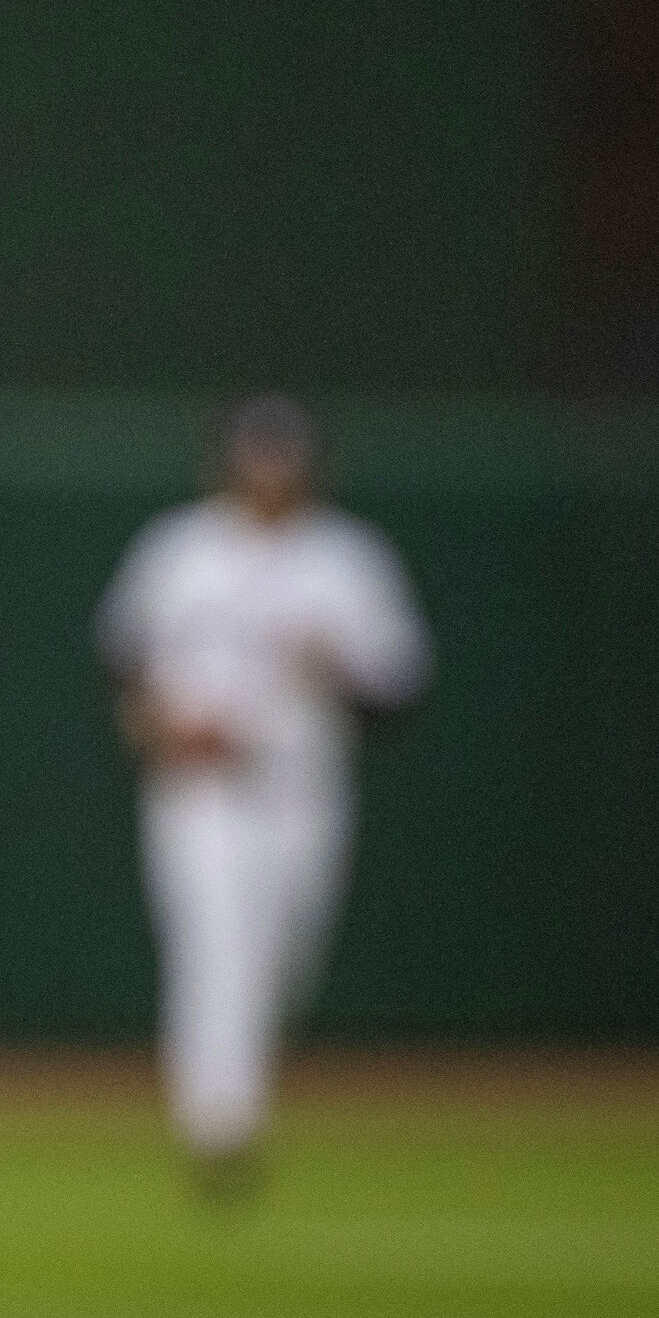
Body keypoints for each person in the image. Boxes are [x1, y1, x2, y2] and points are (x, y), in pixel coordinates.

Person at [94, 395, 428, 1194]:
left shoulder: (347, 559)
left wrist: (334, 666)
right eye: (255, 456)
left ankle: (231, 1100)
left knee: (285, 960)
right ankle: (220, 1128)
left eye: (282, 458)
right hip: (202, 789)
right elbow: (122, 661)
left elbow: (399, 692)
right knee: (215, 952)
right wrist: (158, 729)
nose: (268, 473)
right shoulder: (181, 549)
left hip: (303, 791)